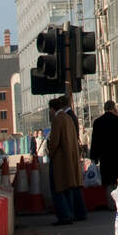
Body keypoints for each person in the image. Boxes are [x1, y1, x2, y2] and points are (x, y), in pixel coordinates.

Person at [46, 94, 87, 225]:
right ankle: (70, 214)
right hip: (70, 158)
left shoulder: (58, 120)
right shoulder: (68, 118)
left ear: (52, 109)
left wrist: (50, 151)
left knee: (57, 188)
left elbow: (54, 142)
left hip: (60, 160)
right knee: (68, 188)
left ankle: (64, 215)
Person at [90, 100, 118, 195]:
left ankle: (110, 202)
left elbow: (95, 141)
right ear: (113, 108)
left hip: (105, 156)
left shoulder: (97, 122)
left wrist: (94, 157)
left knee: (107, 181)